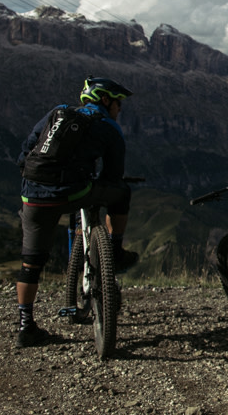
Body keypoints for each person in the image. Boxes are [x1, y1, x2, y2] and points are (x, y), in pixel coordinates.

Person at [14, 77, 139, 348]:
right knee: (121, 192)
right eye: (118, 103)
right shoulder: (108, 126)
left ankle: (26, 327)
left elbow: (26, 151)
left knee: (30, 264)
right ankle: (115, 251)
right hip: (73, 193)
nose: (119, 109)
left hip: (32, 195)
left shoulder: (56, 112)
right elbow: (113, 175)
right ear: (105, 100)